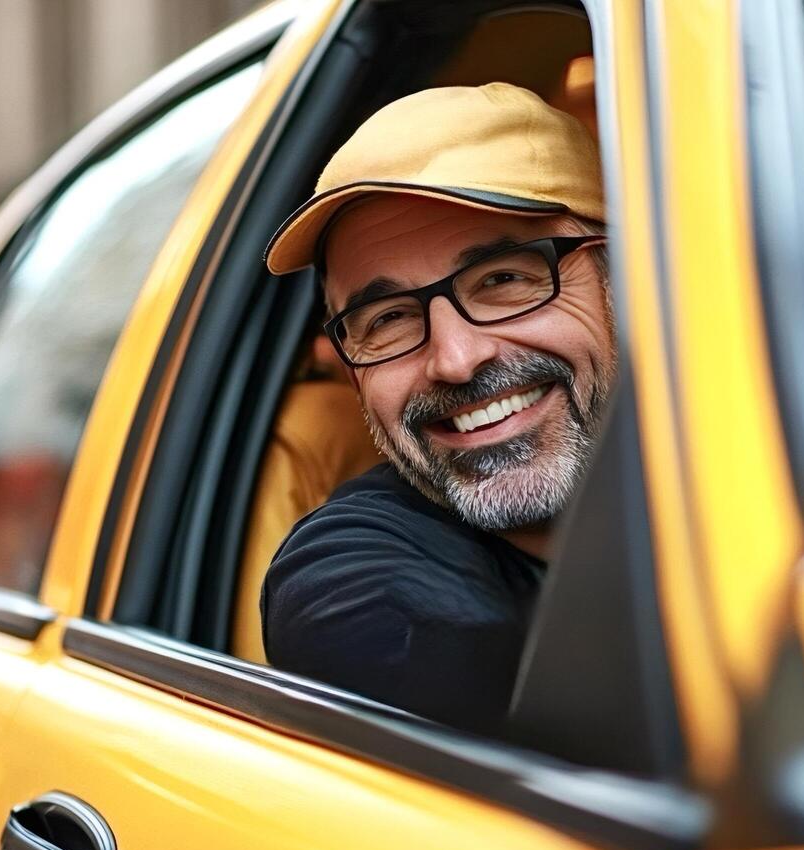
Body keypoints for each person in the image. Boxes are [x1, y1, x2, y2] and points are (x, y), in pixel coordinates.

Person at [259, 82, 613, 736]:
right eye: (389, 318)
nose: (454, 358)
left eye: (505, 278)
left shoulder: (802, 462)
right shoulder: (352, 564)